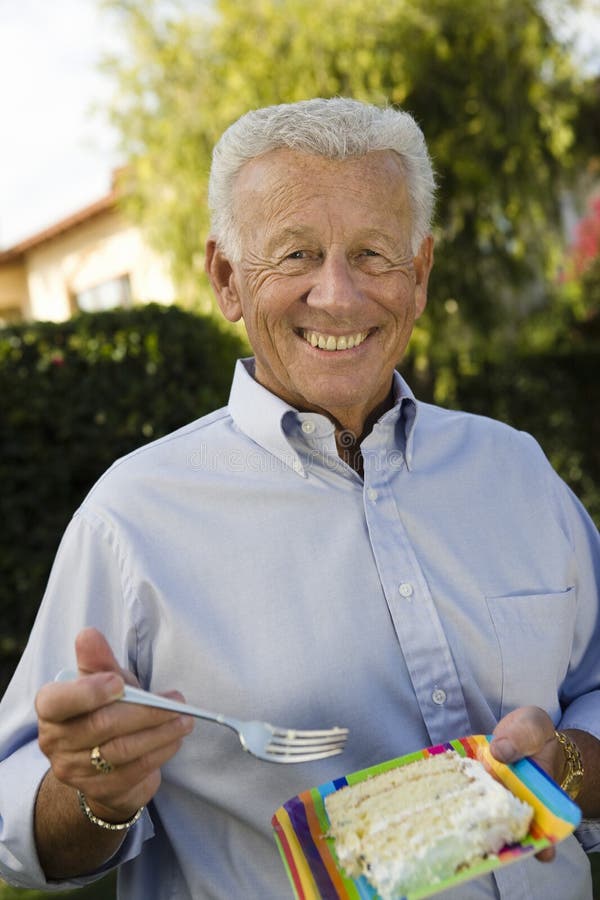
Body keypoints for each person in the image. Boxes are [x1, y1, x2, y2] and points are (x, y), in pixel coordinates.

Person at [0, 98, 598, 900]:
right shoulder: (132, 520)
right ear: (226, 279)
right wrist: (96, 796)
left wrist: (567, 760)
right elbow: (14, 821)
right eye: (296, 256)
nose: (340, 296)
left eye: (374, 254)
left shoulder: (517, 471)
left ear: (419, 276)